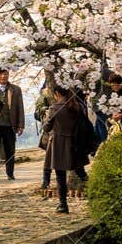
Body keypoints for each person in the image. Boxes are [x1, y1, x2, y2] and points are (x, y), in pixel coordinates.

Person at [42, 85, 91, 214]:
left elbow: (46, 127)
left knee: (60, 176)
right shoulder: (76, 106)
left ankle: (63, 204)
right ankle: (95, 192)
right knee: (81, 172)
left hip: (59, 143)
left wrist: (46, 117)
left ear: (57, 93)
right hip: (76, 143)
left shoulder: (54, 108)